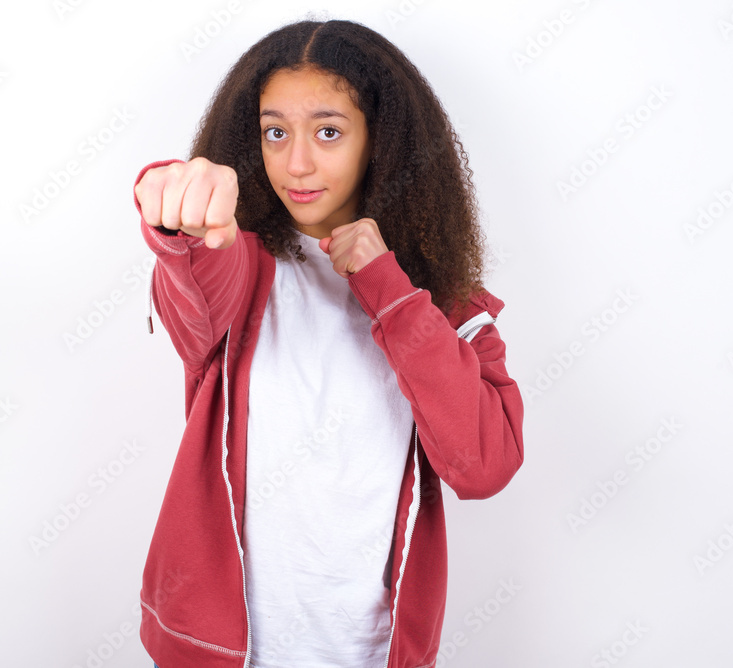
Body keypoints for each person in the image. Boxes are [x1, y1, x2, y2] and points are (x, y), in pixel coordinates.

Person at [132, 18, 524, 668]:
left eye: (329, 132)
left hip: (368, 652)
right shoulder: (237, 264)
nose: (297, 163)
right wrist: (179, 214)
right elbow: (193, 286)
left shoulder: (445, 306)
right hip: (221, 652)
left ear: (380, 140)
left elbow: (484, 467)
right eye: (275, 132)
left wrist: (387, 286)